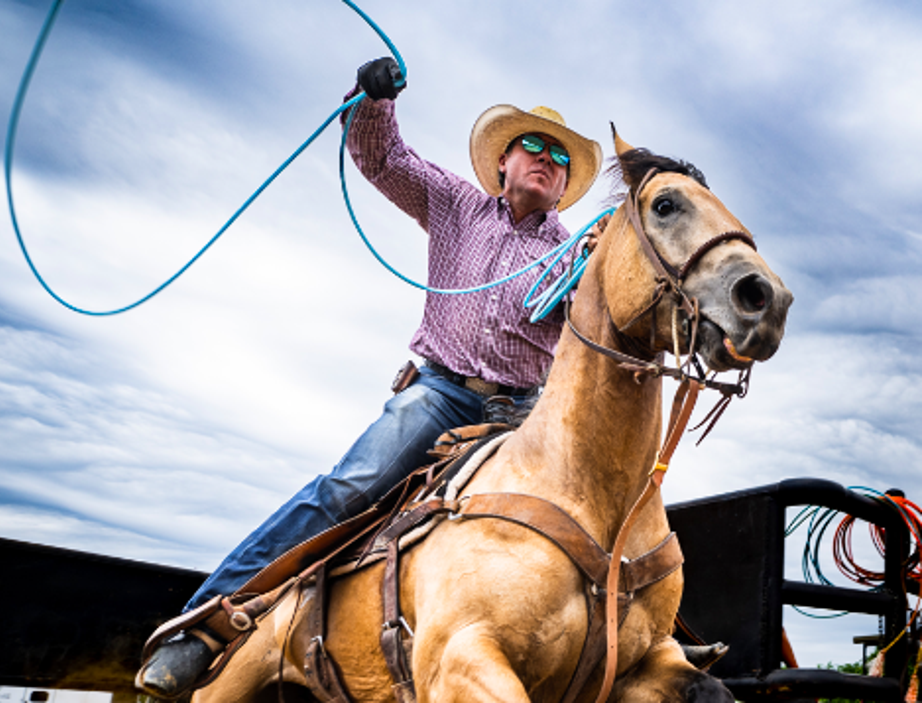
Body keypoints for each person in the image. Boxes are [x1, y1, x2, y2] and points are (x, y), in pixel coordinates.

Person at [136, 57, 606, 699]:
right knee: (347, 489)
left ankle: (634, 641)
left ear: (563, 185)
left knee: (597, 510)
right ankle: (201, 627)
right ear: (504, 160)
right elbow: (384, 161)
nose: (545, 158)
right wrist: (375, 100)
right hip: (442, 394)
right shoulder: (455, 204)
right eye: (533, 145)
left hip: (524, 411)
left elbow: (599, 334)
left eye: (559, 157)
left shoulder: (576, 256)